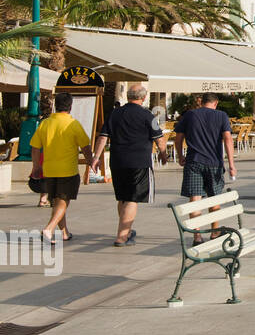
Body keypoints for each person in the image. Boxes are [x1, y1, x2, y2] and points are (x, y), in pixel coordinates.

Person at [90, 84, 166, 247]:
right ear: (143, 97)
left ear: (129, 96)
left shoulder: (115, 114)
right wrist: (163, 153)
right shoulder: (149, 116)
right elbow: (159, 138)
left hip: (117, 162)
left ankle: (126, 230)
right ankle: (122, 236)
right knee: (132, 198)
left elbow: (103, 137)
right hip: (139, 162)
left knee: (123, 198)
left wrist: (96, 158)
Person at [173, 93, 236, 245]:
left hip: (193, 162)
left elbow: (178, 137)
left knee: (195, 198)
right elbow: (227, 139)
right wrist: (231, 165)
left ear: (202, 102)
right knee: (214, 198)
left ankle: (197, 236)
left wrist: (181, 155)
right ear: (216, 103)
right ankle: (214, 233)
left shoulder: (190, 115)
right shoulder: (221, 116)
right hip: (214, 163)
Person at [31, 93, 93, 245]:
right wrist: (91, 161)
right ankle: (49, 229)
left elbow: (35, 147)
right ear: (70, 106)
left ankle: (64, 233)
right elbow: (85, 146)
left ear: (55, 105)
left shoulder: (45, 123)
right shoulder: (73, 124)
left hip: (49, 170)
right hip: (68, 170)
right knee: (63, 201)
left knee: (57, 202)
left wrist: (36, 167)